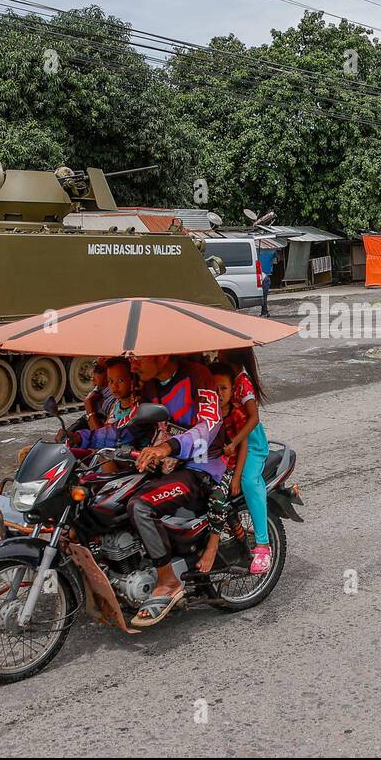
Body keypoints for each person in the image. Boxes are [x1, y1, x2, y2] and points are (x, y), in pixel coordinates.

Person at [125, 353, 225, 623]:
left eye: (136, 357)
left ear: (161, 355)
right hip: (166, 465)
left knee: (140, 506)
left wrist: (168, 447)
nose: (131, 364)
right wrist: (78, 440)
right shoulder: (149, 385)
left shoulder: (198, 376)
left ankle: (168, 580)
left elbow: (208, 426)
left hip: (202, 466)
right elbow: (132, 430)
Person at [211, 352, 273, 573]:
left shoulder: (242, 383)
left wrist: (235, 442)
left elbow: (253, 418)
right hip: (225, 442)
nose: (217, 356)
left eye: (221, 353)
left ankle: (263, 545)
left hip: (251, 444)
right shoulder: (219, 379)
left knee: (248, 481)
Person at [258, 246, 277, 317]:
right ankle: (265, 312)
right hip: (264, 279)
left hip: (265, 280)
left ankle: (265, 312)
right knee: (263, 297)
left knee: (264, 297)